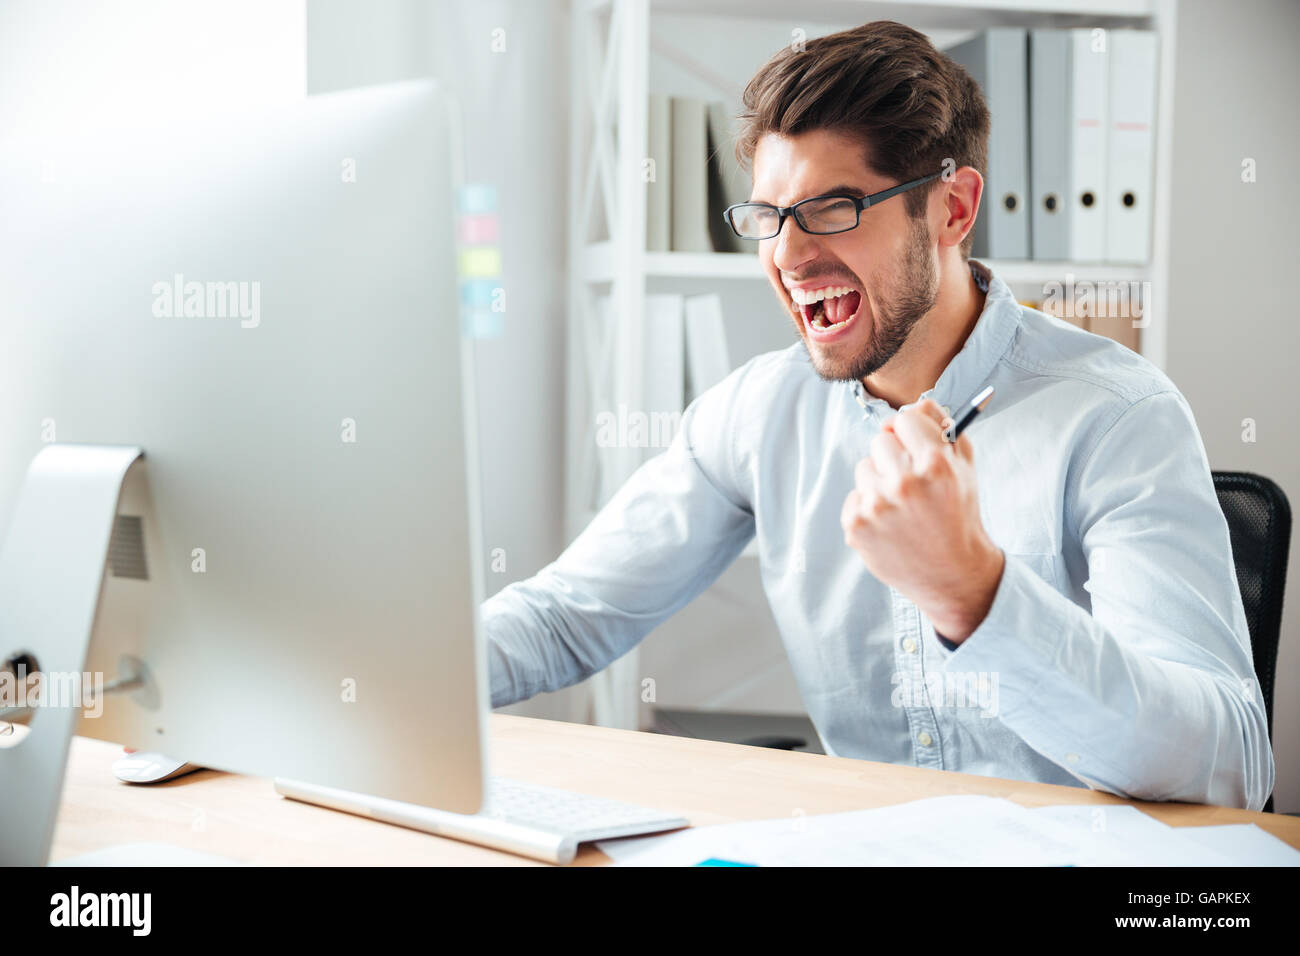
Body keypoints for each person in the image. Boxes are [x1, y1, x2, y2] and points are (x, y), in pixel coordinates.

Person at [484, 20, 1273, 810]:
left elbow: (1230, 767)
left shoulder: (1117, 416)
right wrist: (388, 674)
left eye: (832, 209)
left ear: (953, 209)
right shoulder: (758, 414)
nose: (788, 259)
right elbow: (565, 620)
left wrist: (976, 594)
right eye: (768, 217)